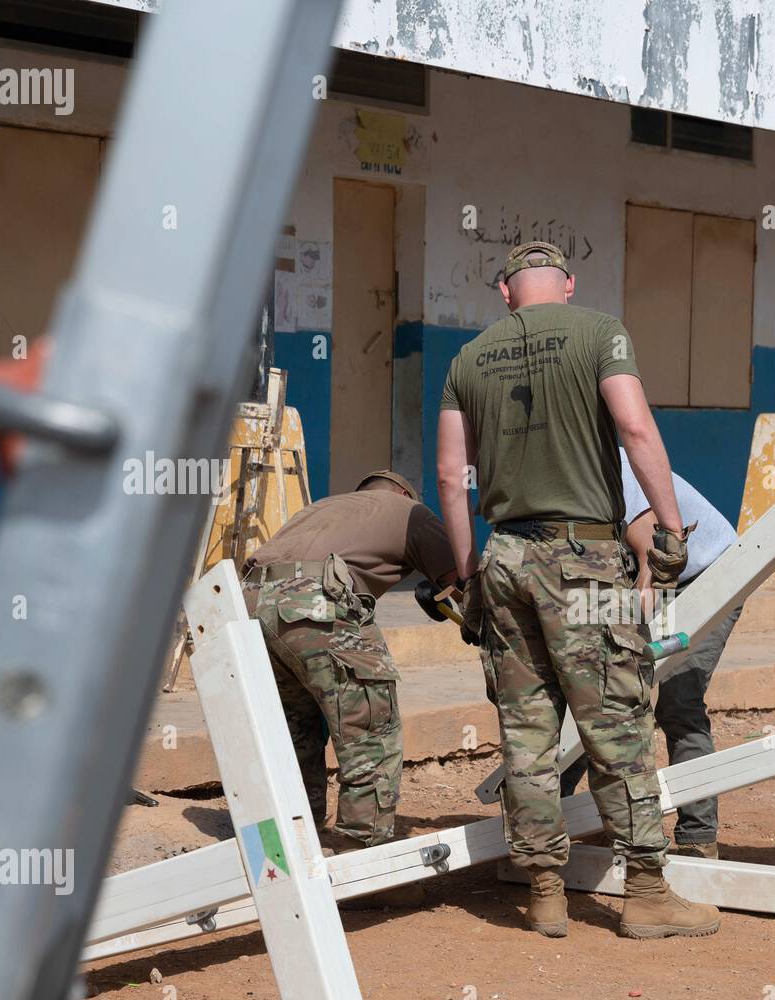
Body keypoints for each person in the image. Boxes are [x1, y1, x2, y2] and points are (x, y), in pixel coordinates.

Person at [435, 239, 719, 940]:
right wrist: (673, 531)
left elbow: (449, 475)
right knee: (616, 724)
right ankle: (647, 891)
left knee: (526, 731)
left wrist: (469, 574)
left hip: (505, 557)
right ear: (565, 284)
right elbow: (632, 424)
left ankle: (544, 891)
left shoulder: (467, 360)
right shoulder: (600, 331)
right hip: (586, 557)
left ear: (505, 292)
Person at [242, 469, 456, 849]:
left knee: (296, 729)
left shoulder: (321, 508)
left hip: (248, 608)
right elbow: (457, 580)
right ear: (404, 494)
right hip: (314, 605)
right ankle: (361, 858)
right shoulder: (410, 513)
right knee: (371, 731)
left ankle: (293, 843)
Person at [559, 448, 741, 859]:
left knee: (678, 700)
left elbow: (654, 563)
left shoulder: (610, 465)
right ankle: (558, 816)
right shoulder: (554, 474)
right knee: (591, 690)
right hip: (637, 579)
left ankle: (698, 837)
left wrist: (628, 640)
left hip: (708, 574)